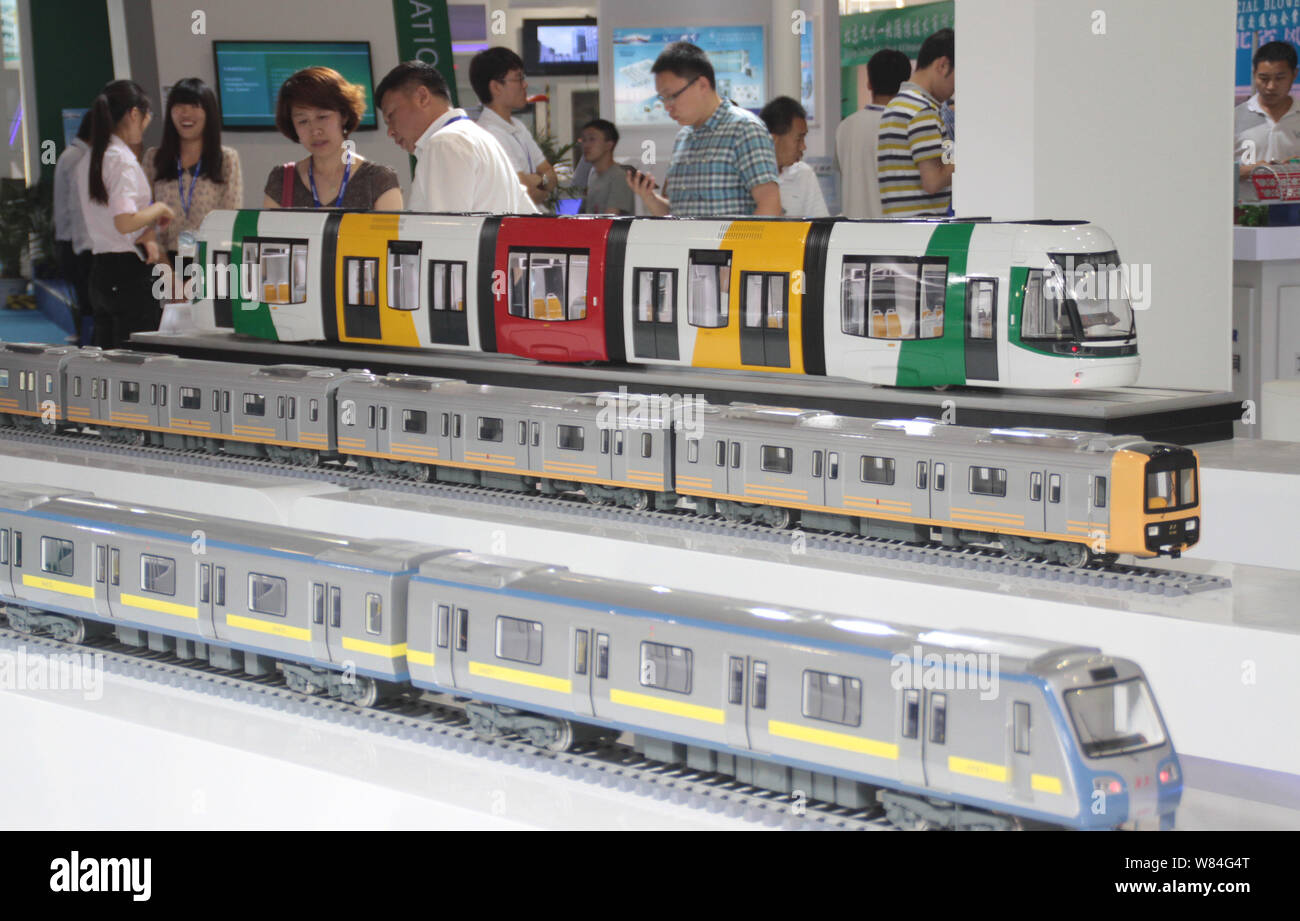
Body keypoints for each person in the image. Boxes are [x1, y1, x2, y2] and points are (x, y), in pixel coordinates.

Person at [627, 42, 780, 218]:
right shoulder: (683, 138)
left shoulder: (744, 130)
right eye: (663, 98)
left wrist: (736, 245)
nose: (667, 106)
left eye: (672, 96)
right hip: (683, 245)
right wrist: (649, 197)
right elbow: (679, 215)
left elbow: (770, 206)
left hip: (730, 245)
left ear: (702, 85)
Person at [74, 80, 174, 349]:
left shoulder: (89, 159)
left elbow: (111, 219)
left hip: (101, 272)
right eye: (146, 117)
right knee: (136, 364)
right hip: (128, 277)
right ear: (133, 114)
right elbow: (123, 221)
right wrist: (160, 208)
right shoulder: (120, 159)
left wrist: (146, 234)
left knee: (106, 364)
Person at [374, 61, 537, 214]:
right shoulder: (480, 137)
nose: (390, 132)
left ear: (422, 97)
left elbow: (447, 234)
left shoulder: (444, 143)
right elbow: (527, 215)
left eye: (391, 116)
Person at [262, 66, 402, 211]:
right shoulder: (283, 179)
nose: (315, 130)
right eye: (303, 121)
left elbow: (389, 234)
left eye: (322, 117)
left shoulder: (378, 180)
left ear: (344, 116)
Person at [142, 78, 242, 260]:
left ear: (209, 112)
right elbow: (145, 219)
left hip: (211, 262)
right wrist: (168, 273)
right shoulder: (153, 158)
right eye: (178, 106)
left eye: (194, 106)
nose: (185, 113)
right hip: (164, 262)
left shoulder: (227, 158)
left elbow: (230, 221)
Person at [877, 28, 955, 218]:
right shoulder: (922, 110)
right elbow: (933, 181)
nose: (955, 88)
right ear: (943, 66)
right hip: (924, 231)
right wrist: (969, 157)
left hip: (902, 228)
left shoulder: (898, 104)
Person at [469, 47, 557, 208]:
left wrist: (538, 180)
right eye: (518, 78)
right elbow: (524, 192)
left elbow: (551, 175)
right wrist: (541, 182)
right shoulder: (489, 134)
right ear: (496, 87)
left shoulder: (518, 126)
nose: (525, 84)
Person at [836, 49, 911, 219]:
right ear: (906, 83)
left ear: (869, 83)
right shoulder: (906, 124)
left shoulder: (845, 127)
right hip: (892, 234)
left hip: (851, 235)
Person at [1235, 40, 1300, 201]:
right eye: (1263, 78)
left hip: (1294, 214)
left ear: (1294, 75)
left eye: (1280, 78)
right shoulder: (1234, 117)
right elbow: (1212, 171)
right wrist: (1247, 171)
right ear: (1254, 74)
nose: (1271, 86)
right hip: (1245, 214)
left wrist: (1292, 168)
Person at [53, 111, 93, 339]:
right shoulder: (78, 158)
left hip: (69, 240)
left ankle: (84, 339)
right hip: (76, 243)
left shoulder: (71, 154)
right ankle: (86, 343)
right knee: (87, 301)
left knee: (85, 299)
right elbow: (78, 207)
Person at [760, 96, 828, 218]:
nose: (803, 147)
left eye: (804, 138)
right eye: (798, 139)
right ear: (773, 139)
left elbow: (819, 224)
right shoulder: (749, 177)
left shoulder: (804, 174)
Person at [577, 119, 634, 215]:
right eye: (584, 140)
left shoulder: (619, 176)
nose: (586, 145)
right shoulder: (593, 174)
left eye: (592, 139)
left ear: (609, 145)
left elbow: (611, 219)